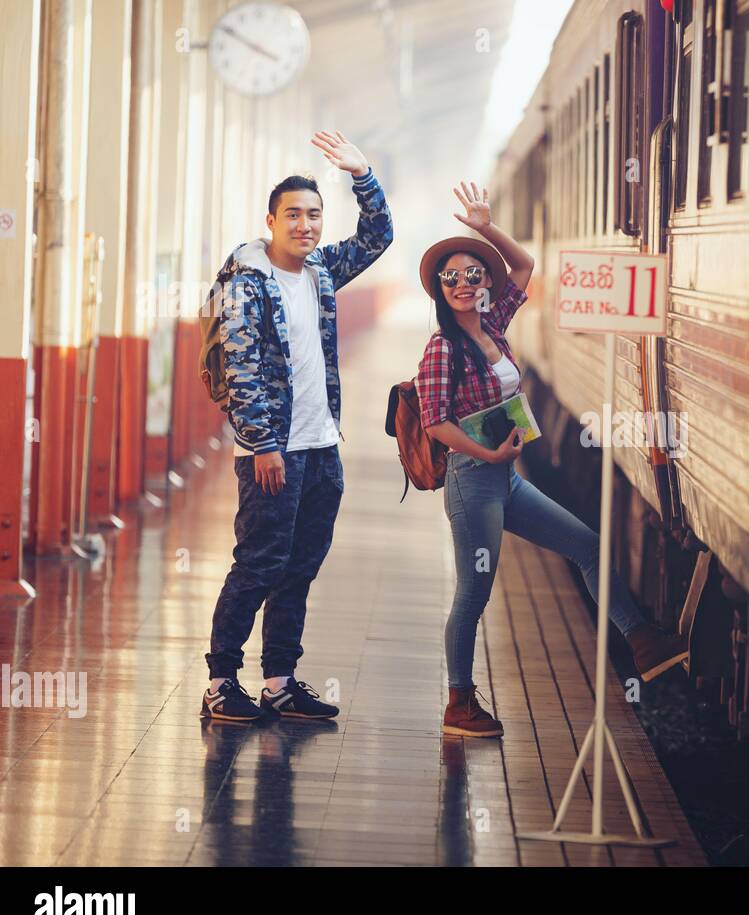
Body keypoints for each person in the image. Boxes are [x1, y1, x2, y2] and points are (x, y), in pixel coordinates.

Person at [416, 181, 689, 738]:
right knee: (474, 589)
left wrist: (484, 227)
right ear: (440, 290)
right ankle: (458, 705)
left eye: (474, 275)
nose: (464, 284)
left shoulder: (493, 327)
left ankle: (640, 641)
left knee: (586, 545)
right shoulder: (441, 348)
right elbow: (434, 422)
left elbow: (524, 265)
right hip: (473, 482)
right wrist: (486, 450)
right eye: (452, 278)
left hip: (506, 480)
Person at [201, 131, 393, 721]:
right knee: (259, 561)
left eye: (314, 214)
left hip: (321, 447)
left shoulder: (320, 273)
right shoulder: (246, 280)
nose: (305, 225)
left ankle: (280, 679)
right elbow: (242, 367)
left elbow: (377, 236)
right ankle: (220, 682)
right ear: (271, 220)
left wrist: (362, 173)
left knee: (300, 564)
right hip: (273, 450)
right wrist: (263, 444)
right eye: (294, 215)